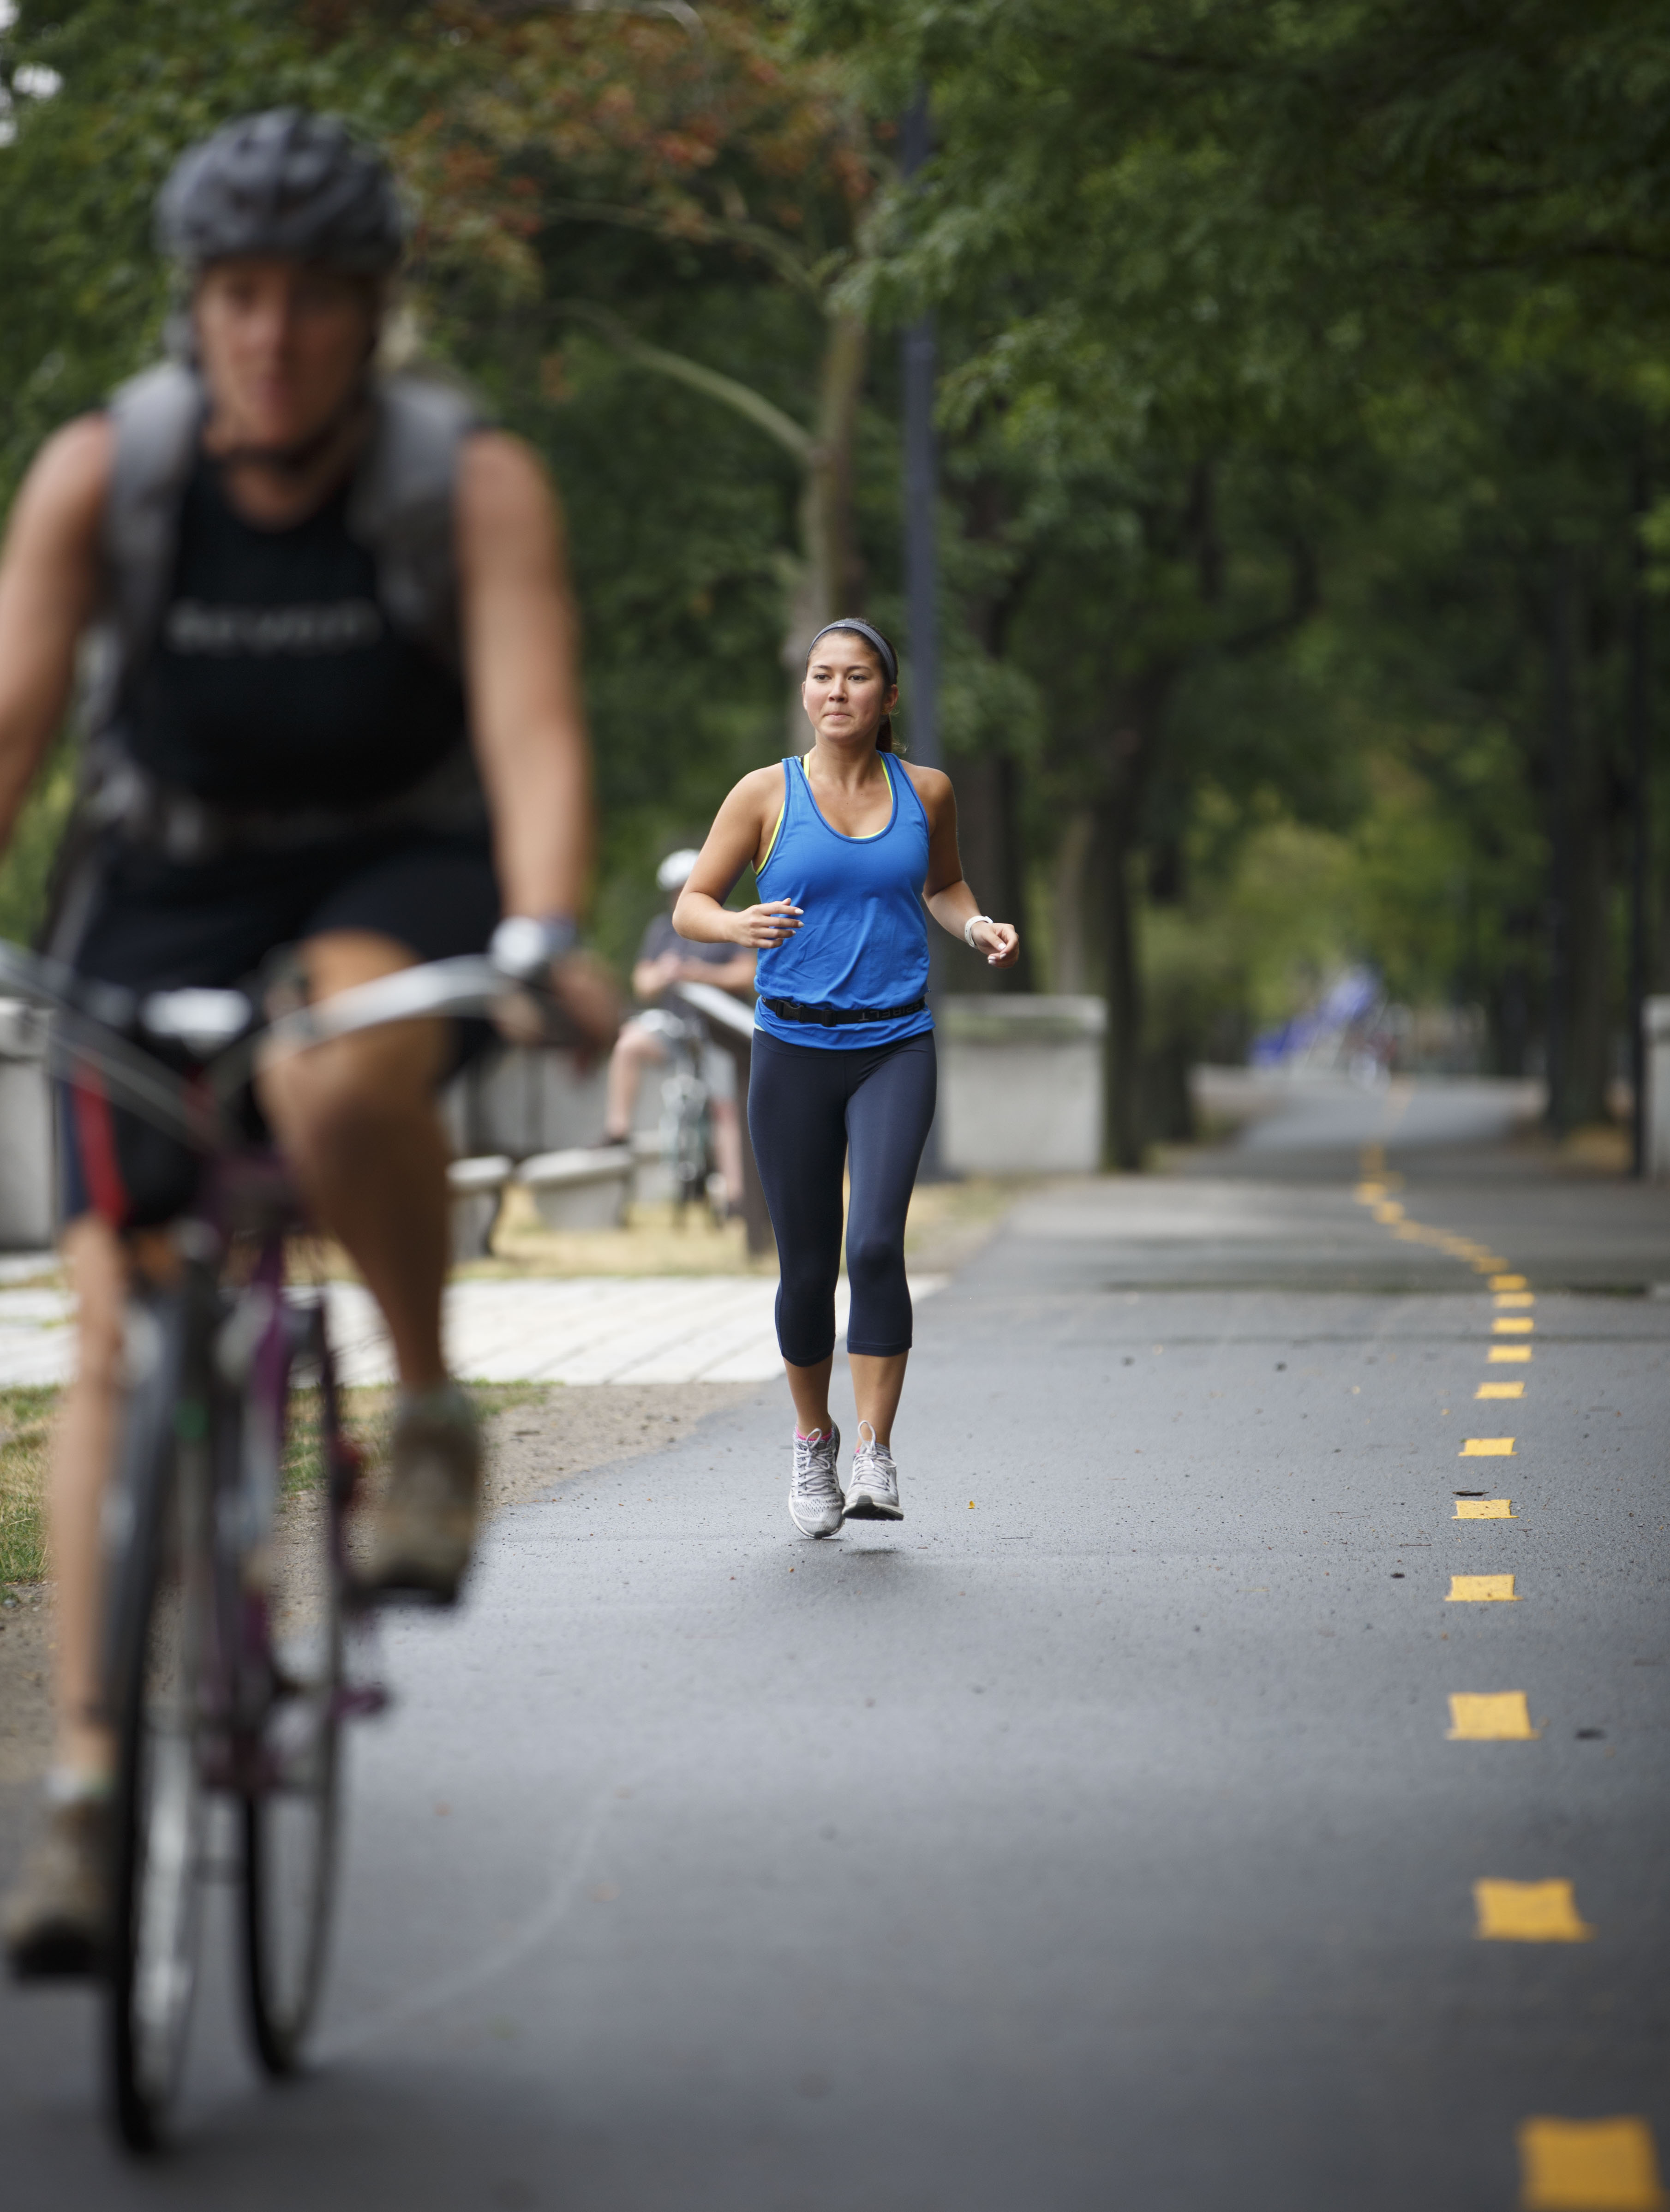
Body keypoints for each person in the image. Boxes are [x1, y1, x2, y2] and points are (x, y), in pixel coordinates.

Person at [0, 109, 614, 1976]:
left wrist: (539, 927)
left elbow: (529, 728)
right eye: (238, 295)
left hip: (390, 860)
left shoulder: (464, 486)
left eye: (314, 299)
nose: (271, 335)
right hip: (163, 872)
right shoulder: (108, 474)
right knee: (118, 1327)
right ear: (195, 308)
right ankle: (89, 1799)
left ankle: (425, 1412)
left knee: (330, 1078)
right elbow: (13, 724)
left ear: (375, 311)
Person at [673, 618, 1019, 1535]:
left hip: (894, 1044)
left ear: (886, 696)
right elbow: (691, 903)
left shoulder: (927, 791)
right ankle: (812, 1438)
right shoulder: (764, 794)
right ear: (805, 691)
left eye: (856, 677)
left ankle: (873, 1450)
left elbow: (943, 886)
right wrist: (734, 926)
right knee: (806, 1267)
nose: (836, 691)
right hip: (790, 1049)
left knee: (872, 1246)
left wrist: (975, 925)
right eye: (822, 675)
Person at [602, 848, 755, 1208]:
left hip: (719, 1034)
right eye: (675, 889)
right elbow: (642, 983)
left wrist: (700, 975)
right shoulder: (662, 929)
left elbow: (748, 974)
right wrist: (663, 974)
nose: (679, 895)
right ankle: (617, 1130)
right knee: (628, 1045)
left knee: (725, 1106)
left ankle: (737, 1197)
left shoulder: (729, 918)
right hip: (676, 1029)